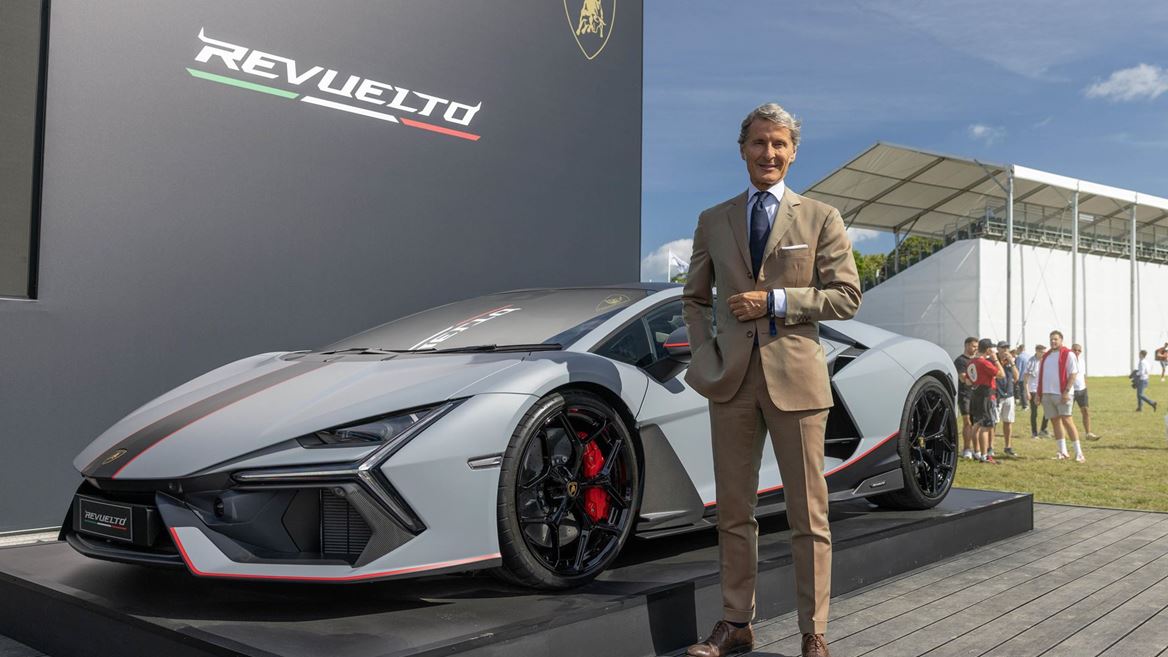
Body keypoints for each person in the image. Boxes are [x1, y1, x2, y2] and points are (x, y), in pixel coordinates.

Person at [681, 102, 861, 657]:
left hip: (798, 381)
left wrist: (777, 300)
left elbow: (847, 296)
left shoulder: (821, 217)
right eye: (760, 143)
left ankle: (814, 633)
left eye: (780, 144)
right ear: (743, 149)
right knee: (734, 512)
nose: (770, 153)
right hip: (731, 382)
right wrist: (706, 356)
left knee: (809, 514)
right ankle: (736, 624)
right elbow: (693, 299)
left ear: (794, 151)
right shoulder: (714, 219)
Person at [1037, 330, 1084, 462]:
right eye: (1051, 339)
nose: (1053, 341)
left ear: (1061, 340)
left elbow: (1073, 374)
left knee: (1067, 421)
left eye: (1055, 339)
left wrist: (1066, 391)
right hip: (1047, 394)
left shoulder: (1068, 354)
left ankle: (1079, 453)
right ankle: (1062, 451)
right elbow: (1042, 375)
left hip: (1062, 394)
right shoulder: (1046, 356)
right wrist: (1039, 394)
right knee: (1055, 422)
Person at [967, 339, 1002, 463]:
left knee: (977, 424)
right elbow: (1001, 374)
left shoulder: (971, 362)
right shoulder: (984, 363)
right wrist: (995, 360)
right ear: (988, 350)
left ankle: (977, 452)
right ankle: (984, 455)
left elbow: (967, 380)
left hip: (975, 394)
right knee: (986, 426)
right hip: (986, 396)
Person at [955, 337, 978, 460]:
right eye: (974, 346)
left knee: (976, 424)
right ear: (967, 345)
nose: (975, 349)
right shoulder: (960, 361)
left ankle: (977, 449)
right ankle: (966, 449)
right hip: (965, 395)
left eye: (977, 347)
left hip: (977, 396)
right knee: (967, 423)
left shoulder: (977, 360)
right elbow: (963, 378)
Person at [1070, 343, 1099, 440]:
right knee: (1067, 414)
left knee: (1086, 411)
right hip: (1071, 390)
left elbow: (1083, 374)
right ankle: (1066, 433)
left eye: (1079, 350)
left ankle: (1088, 433)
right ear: (1071, 350)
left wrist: (1085, 386)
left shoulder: (1082, 361)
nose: (1077, 352)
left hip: (1082, 390)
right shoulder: (1068, 361)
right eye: (1075, 350)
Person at [996, 341, 1019, 456]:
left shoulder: (1011, 361)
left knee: (1008, 422)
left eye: (1007, 348)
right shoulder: (994, 360)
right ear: (998, 349)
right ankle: (990, 446)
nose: (1005, 350)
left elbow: (1016, 377)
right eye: (1003, 348)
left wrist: (1011, 362)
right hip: (997, 395)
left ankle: (1008, 446)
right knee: (993, 423)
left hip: (1009, 394)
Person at [1024, 344, 1049, 439]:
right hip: (1033, 390)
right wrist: (1027, 391)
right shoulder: (1031, 362)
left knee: (1048, 410)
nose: (1043, 354)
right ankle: (1034, 433)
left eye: (1044, 352)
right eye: (1042, 352)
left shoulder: (1045, 361)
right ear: (1037, 351)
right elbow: (1026, 378)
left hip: (1043, 389)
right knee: (1034, 413)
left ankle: (1043, 429)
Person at [1014, 344, 1030, 410]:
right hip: (1029, 376)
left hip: (1022, 377)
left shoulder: (1019, 357)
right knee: (1027, 391)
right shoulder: (1028, 356)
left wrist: (1016, 378)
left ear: (1020, 349)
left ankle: (1025, 406)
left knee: (1022, 391)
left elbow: (1018, 368)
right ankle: (1027, 404)